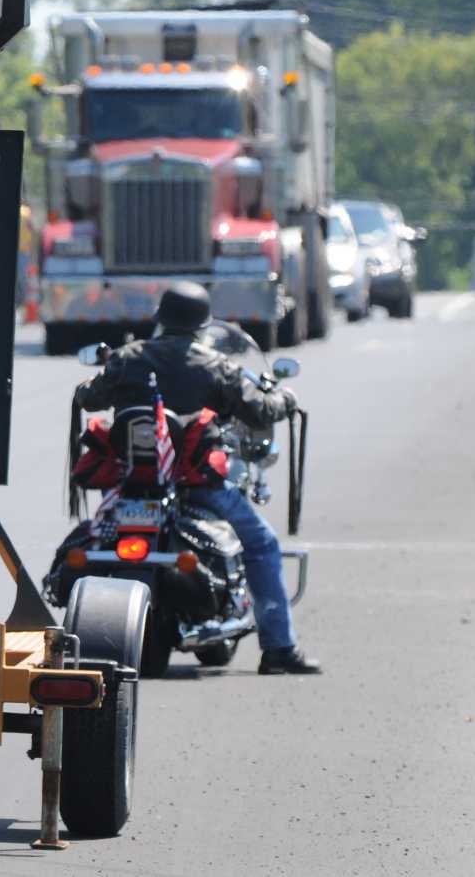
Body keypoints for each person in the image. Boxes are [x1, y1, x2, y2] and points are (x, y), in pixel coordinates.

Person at [73, 281, 321, 676]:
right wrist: (286, 398)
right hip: (197, 483)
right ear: (202, 325)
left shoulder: (129, 358)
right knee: (261, 545)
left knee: (94, 535)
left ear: (161, 319)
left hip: (131, 483)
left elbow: (90, 398)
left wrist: (97, 380)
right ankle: (278, 649)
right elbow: (260, 410)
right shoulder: (216, 366)